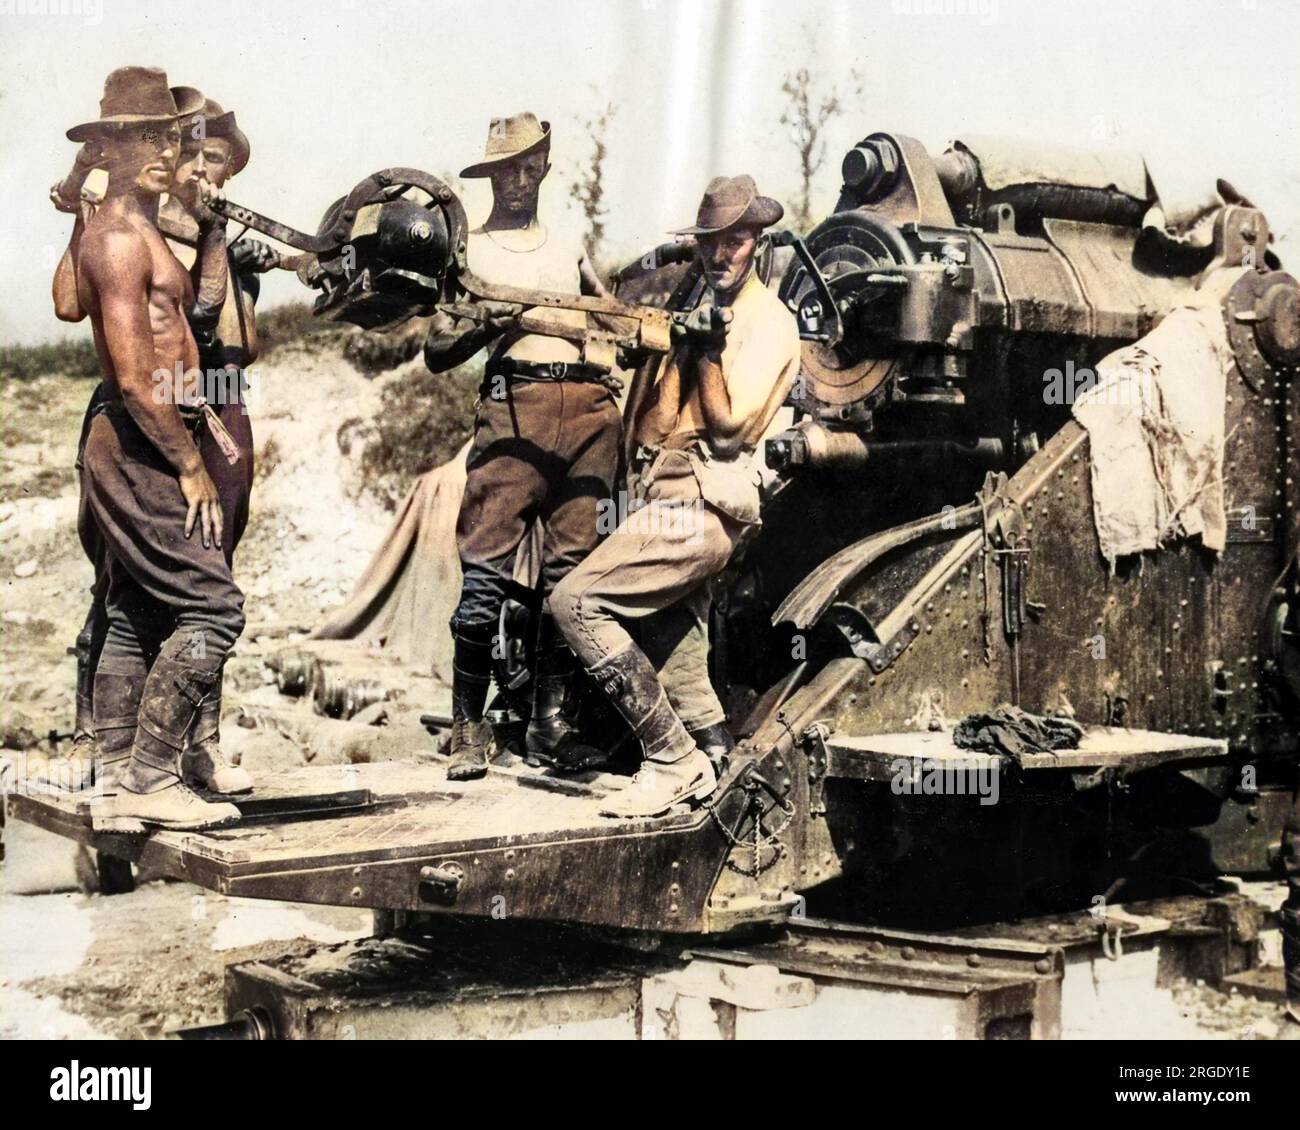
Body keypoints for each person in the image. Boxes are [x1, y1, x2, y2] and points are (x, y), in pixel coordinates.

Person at [51, 84, 284, 795]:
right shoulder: (118, 236)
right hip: (146, 434)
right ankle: (152, 775)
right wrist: (188, 465)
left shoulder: (145, 229)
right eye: (146, 140)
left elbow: (202, 316)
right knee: (213, 605)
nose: (165, 153)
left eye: (169, 138)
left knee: (136, 605)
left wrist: (214, 232)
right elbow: (127, 370)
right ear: (107, 150)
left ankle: (130, 775)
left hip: (173, 422)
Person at [551, 175, 801, 818]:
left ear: (758, 243)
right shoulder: (699, 312)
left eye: (735, 241)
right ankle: (716, 764)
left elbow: (729, 431)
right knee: (677, 649)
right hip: (664, 493)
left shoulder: (769, 323)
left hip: (706, 502)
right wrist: (676, 344)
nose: (721, 256)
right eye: (710, 243)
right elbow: (650, 422)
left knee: (574, 603)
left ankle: (673, 760)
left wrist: (708, 351)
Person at [423, 112, 621, 780]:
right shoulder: (470, 249)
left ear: (544, 166)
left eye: (527, 165)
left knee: (572, 580)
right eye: (503, 169)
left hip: (590, 413)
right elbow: (437, 349)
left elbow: (611, 314)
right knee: (484, 579)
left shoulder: (569, 243)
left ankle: (550, 729)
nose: (516, 180)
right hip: (514, 412)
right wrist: (492, 320)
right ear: (489, 176)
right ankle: (466, 728)